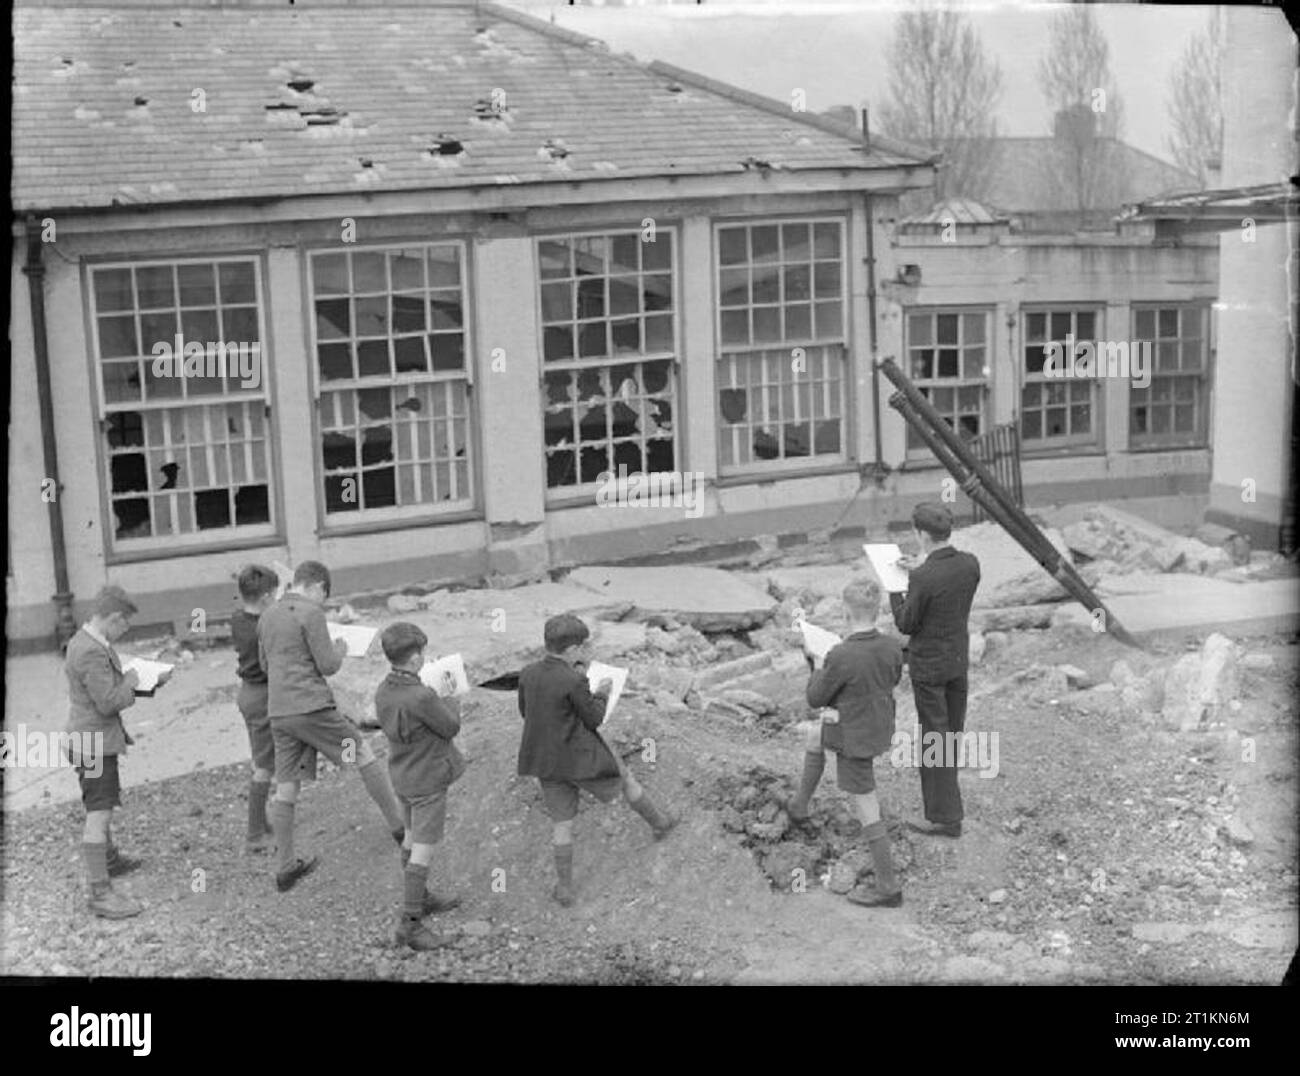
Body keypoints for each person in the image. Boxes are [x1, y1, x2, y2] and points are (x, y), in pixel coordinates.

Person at [258, 560, 407, 892]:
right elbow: (327, 665)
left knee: (287, 786)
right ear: (317, 587)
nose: (321, 602)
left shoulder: (267, 615)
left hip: (280, 712)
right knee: (364, 755)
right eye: (323, 596)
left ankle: (285, 867)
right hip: (313, 709)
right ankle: (400, 829)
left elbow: (265, 664)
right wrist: (340, 648)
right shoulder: (310, 614)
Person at [516, 614, 676, 907]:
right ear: (574, 649)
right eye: (583, 647)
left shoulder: (527, 673)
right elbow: (594, 718)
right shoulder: (574, 679)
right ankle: (660, 823)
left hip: (545, 760)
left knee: (561, 823)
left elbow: (526, 712)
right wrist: (601, 692)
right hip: (579, 756)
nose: (585, 651)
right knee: (625, 779)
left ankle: (565, 888)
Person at [787, 579, 905, 907]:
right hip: (876, 724)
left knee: (866, 804)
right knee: (815, 736)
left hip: (855, 737)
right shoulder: (892, 645)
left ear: (844, 611)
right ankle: (800, 805)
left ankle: (888, 887)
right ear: (878, 609)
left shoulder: (840, 654)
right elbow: (889, 680)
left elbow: (815, 698)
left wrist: (820, 664)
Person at [65, 585, 161, 918]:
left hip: (87, 739)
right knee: (99, 810)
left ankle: (107, 859)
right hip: (93, 743)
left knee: (99, 803)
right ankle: (100, 893)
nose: (125, 631)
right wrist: (134, 682)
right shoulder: (91, 651)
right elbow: (107, 703)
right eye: (124, 625)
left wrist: (139, 685)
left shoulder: (85, 641)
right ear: (114, 618)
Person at [890, 503, 981, 838]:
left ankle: (944, 817)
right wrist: (920, 570)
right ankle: (947, 808)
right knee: (951, 734)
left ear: (922, 534)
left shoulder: (923, 577)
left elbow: (906, 623)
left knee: (934, 737)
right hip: (957, 660)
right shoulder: (970, 564)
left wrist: (895, 588)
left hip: (929, 666)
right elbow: (945, 587)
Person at [374, 622, 466, 952]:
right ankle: (411, 923)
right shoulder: (423, 695)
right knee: (424, 849)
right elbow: (450, 727)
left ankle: (422, 897)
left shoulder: (384, 689)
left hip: (402, 775)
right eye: (422, 655)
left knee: (411, 839)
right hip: (427, 779)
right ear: (414, 660)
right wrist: (451, 696)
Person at [230, 564, 281, 854]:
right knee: (264, 767)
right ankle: (254, 834)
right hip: (262, 695)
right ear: (264, 599)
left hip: (247, 694)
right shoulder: (262, 629)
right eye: (274, 596)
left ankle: (262, 821)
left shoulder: (238, 619)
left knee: (260, 759)